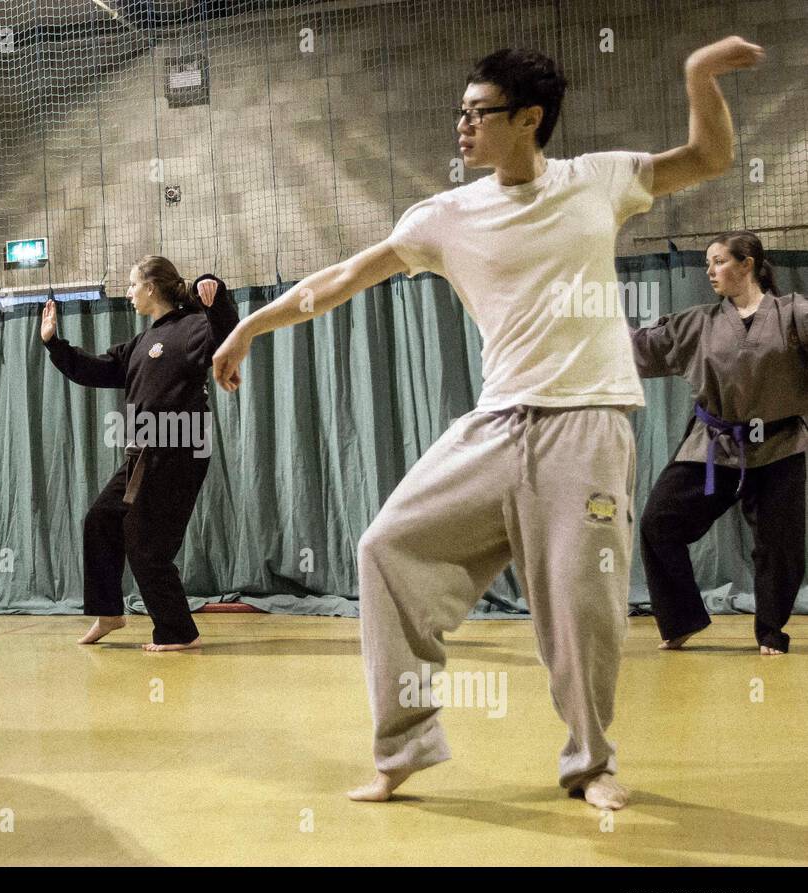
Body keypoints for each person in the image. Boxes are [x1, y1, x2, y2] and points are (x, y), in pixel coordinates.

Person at [212, 38, 765, 809]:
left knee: (582, 604)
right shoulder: (443, 215)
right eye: (461, 113)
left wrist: (699, 76)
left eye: (479, 113)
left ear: (529, 119)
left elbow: (707, 156)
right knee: (387, 548)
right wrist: (248, 329)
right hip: (498, 424)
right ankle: (403, 746)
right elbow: (339, 279)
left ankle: (592, 763)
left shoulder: (599, 180)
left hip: (587, 425)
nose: (462, 127)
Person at [40, 257, 236, 651]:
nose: (128, 293)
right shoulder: (140, 343)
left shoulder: (193, 327)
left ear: (151, 287)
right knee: (101, 520)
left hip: (181, 449)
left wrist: (212, 288)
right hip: (143, 453)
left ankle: (179, 632)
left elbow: (227, 334)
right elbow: (94, 370)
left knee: (147, 545)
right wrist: (53, 344)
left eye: (132, 285)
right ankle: (109, 612)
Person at [634, 230, 808, 656]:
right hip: (715, 446)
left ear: (747, 264)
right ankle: (682, 620)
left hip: (780, 446)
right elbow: (637, 348)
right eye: (708, 264)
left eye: (719, 262)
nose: (710, 271)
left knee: (778, 545)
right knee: (659, 522)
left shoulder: (794, 313)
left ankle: (771, 632)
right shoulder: (698, 323)